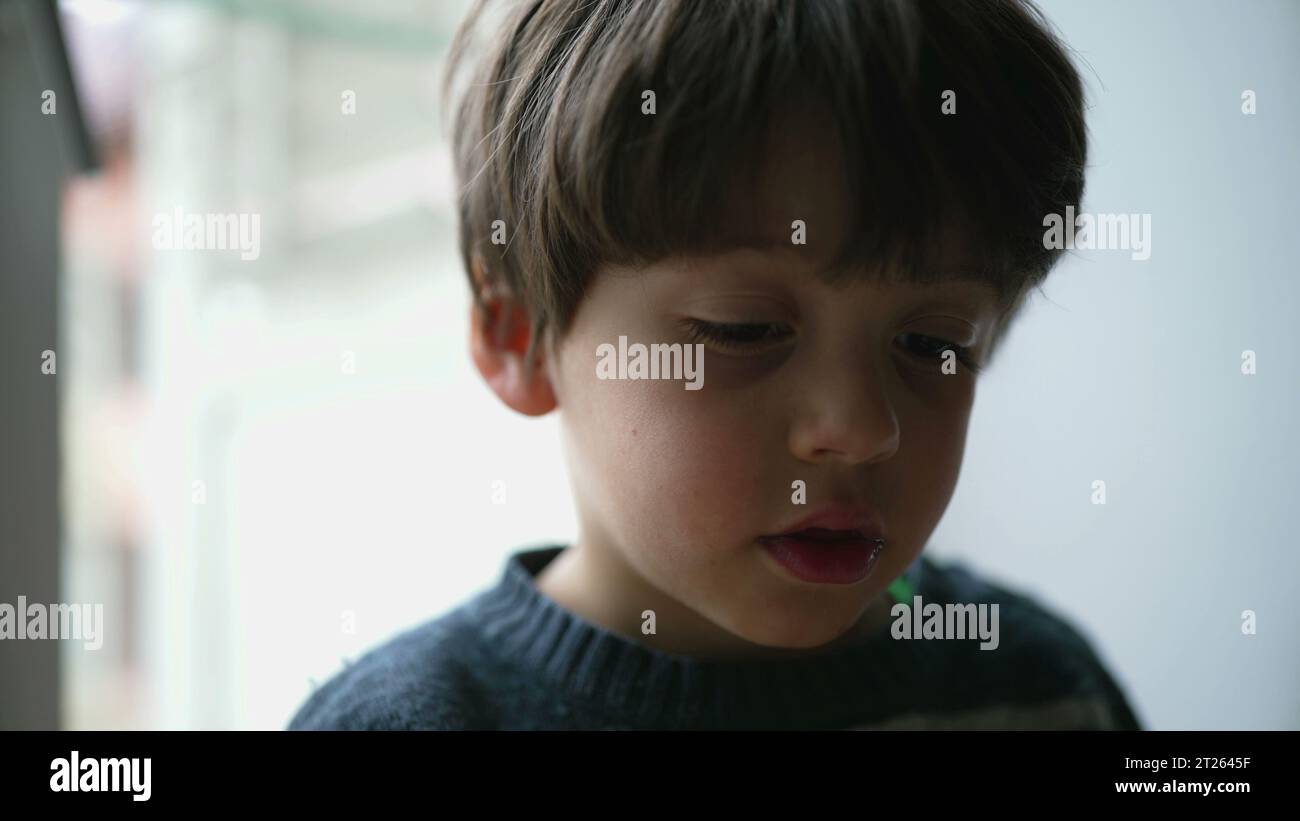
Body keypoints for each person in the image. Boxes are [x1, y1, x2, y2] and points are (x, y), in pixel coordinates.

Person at [288, 0, 1142, 730]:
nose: (860, 428)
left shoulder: (1042, 691)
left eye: (933, 345)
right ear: (518, 334)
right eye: (744, 329)